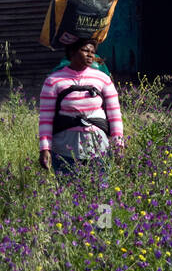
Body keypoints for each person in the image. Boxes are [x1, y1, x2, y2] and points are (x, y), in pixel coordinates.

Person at [37, 38, 123, 177]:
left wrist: (118, 143)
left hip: (98, 146)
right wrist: (45, 148)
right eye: (85, 50)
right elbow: (46, 118)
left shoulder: (103, 79)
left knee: (100, 191)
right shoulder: (53, 81)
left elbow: (114, 114)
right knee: (69, 191)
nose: (90, 55)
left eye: (92, 52)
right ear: (72, 52)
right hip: (65, 147)